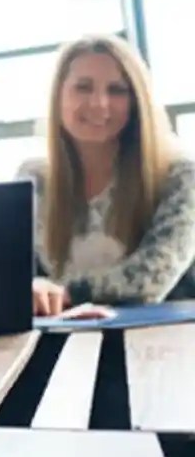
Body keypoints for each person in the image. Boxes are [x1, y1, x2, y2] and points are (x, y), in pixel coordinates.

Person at [23, 35, 195, 317]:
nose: (100, 104)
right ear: (58, 96)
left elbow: (152, 278)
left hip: (162, 339)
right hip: (68, 333)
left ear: (136, 102)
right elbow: (14, 278)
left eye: (117, 90)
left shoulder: (181, 174)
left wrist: (64, 295)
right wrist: (34, 288)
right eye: (83, 87)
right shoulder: (32, 179)